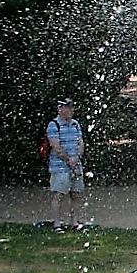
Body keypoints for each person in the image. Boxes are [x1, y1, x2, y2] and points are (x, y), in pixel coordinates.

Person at [45, 98, 86, 231]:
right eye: (67, 107)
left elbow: (80, 142)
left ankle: (75, 222)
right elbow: (56, 146)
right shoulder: (53, 125)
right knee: (58, 195)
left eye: (71, 107)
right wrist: (69, 160)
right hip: (60, 167)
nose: (70, 110)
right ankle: (57, 223)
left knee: (76, 194)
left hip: (76, 165)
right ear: (60, 109)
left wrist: (77, 157)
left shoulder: (75, 124)